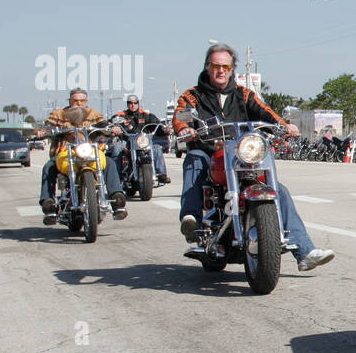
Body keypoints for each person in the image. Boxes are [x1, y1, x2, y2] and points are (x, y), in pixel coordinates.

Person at [172, 43, 334, 271]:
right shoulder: (193, 95)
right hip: (210, 152)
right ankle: (191, 219)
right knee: (194, 159)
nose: (220, 70)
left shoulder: (243, 94)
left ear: (231, 69)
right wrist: (184, 129)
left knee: (279, 189)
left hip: (240, 154)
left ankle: (305, 251)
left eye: (225, 66)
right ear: (207, 67)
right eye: (216, 66)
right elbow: (181, 115)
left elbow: (264, 111)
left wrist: (283, 125)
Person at [37, 88, 126, 222]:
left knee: (109, 163)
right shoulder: (59, 114)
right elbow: (48, 125)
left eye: (82, 101)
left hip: (89, 152)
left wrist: (113, 129)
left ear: (86, 101)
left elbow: (104, 125)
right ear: (70, 101)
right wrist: (43, 131)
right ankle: (48, 205)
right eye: (75, 101)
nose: (79, 103)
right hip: (65, 153)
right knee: (49, 167)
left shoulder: (93, 114)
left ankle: (117, 200)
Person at [108, 94, 171, 183]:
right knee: (117, 147)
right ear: (127, 104)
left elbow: (158, 125)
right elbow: (110, 124)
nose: (133, 105)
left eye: (135, 103)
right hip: (127, 142)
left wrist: (164, 129)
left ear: (138, 103)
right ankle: (115, 177)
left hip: (143, 142)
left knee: (157, 148)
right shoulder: (121, 116)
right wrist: (113, 128)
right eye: (130, 103)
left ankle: (161, 174)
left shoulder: (146, 115)